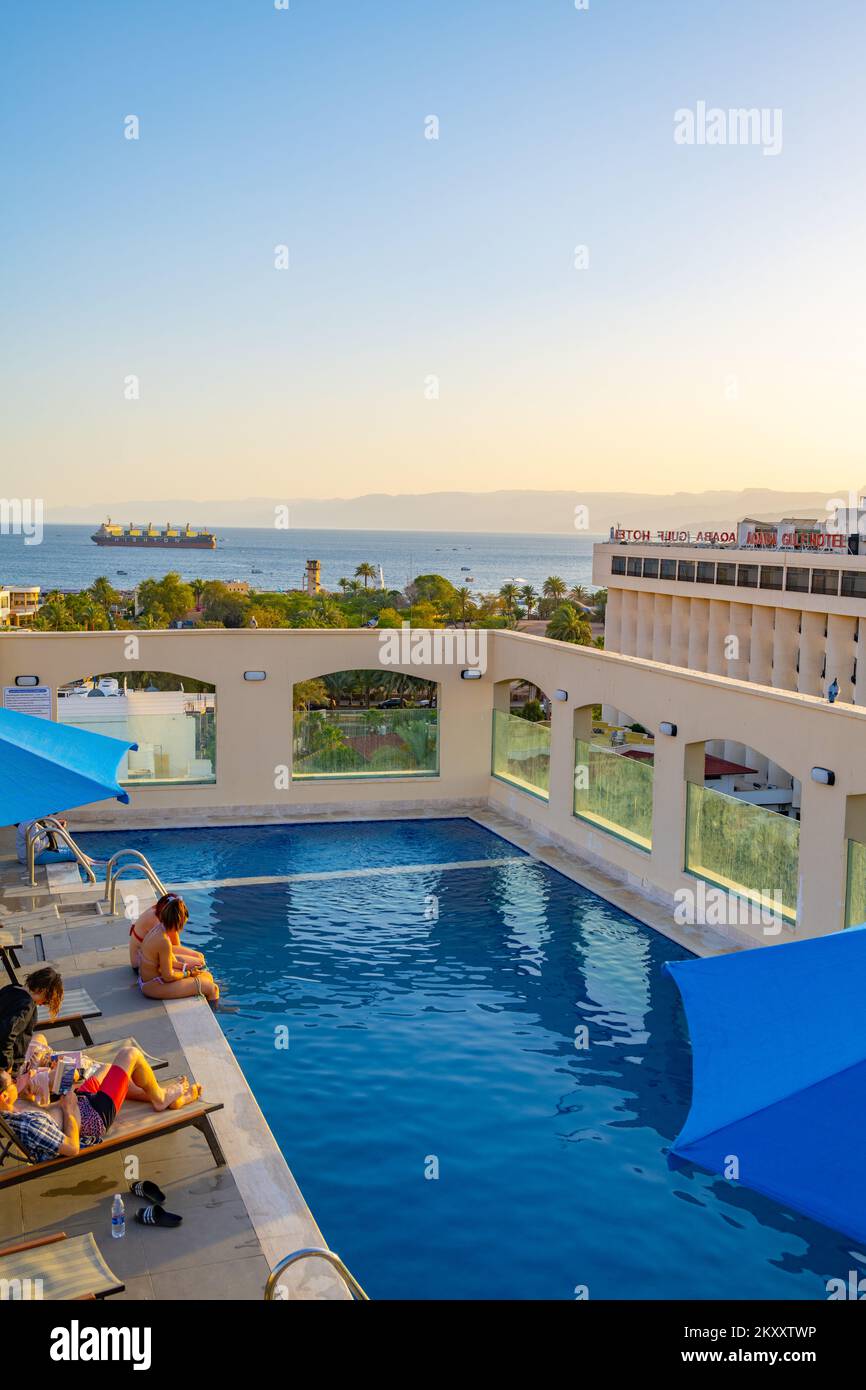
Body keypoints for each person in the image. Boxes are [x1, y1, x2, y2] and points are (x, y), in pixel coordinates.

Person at [0, 1046, 202, 1161]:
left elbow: (44, 1111)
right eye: (11, 1082)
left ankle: (169, 1098)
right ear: (4, 1097)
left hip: (80, 1099)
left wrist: (32, 1091)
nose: (14, 1081)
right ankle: (160, 1098)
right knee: (129, 1054)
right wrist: (69, 1109)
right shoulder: (29, 1124)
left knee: (106, 1068)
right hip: (94, 1115)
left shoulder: (11, 1111)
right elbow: (71, 1148)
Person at [137, 903, 220, 1002]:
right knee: (212, 989)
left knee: (207, 976)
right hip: (153, 986)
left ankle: (213, 997)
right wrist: (188, 973)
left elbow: (162, 963)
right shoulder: (164, 942)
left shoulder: (158, 929)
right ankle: (216, 1008)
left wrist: (186, 967)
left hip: (148, 980)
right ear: (179, 921)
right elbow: (168, 977)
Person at [0, 966, 63, 1073]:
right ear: (42, 990)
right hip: (8, 1067)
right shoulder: (27, 1005)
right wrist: (7, 1066)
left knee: (40, 1038)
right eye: (45, 1001)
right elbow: (7, 1033)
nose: (41, 1004)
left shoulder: (11, 988)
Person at [129, 894, 206, 975]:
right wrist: (186, 969)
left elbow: (175, 945)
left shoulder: (157, 912)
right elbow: (169, 960)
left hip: (149, 955)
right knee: (199, 964)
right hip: (140, 965)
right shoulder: (157, 923)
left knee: (199, 956)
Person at [15, 814, 99, 867]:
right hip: (32, 857)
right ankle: (94, 866)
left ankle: (95, 862)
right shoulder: (30, 823)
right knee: (70, 853)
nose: (48, 815)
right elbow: (37, 847)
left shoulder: (34, 819)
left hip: (36, 853)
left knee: (71, 848)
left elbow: (44, 832)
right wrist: (52, 832)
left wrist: (55, 827)